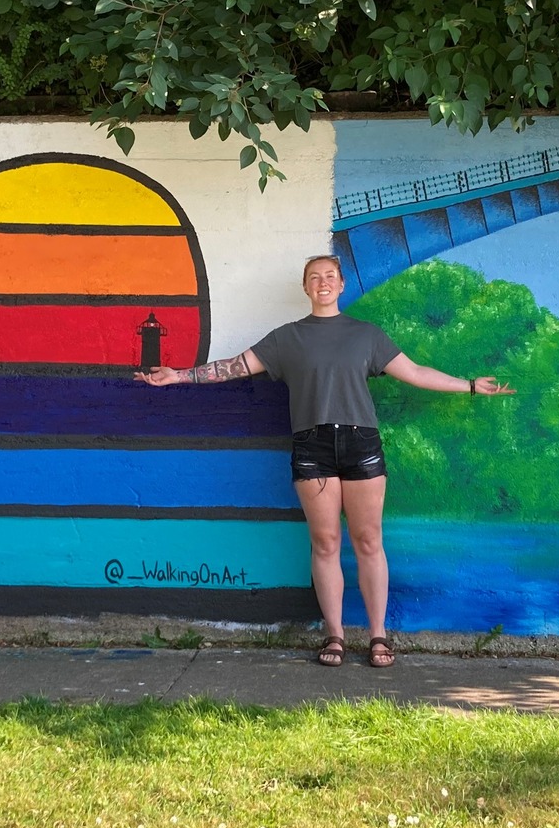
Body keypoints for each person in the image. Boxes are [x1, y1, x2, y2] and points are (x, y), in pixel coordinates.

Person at [138, 254, 513, 667]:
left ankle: (378, 636)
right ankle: (334, 634)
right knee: (326, 542)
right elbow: (234, 367)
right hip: (312, 449)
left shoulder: (366, 335)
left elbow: (417, 372)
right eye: (314, 277)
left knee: (369, 541)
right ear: (305, 287)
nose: (322, 283)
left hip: (361, 445)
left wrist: (471, 387)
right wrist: (180, 375)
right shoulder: (286, 338)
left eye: (330, 276)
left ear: (341, 284)